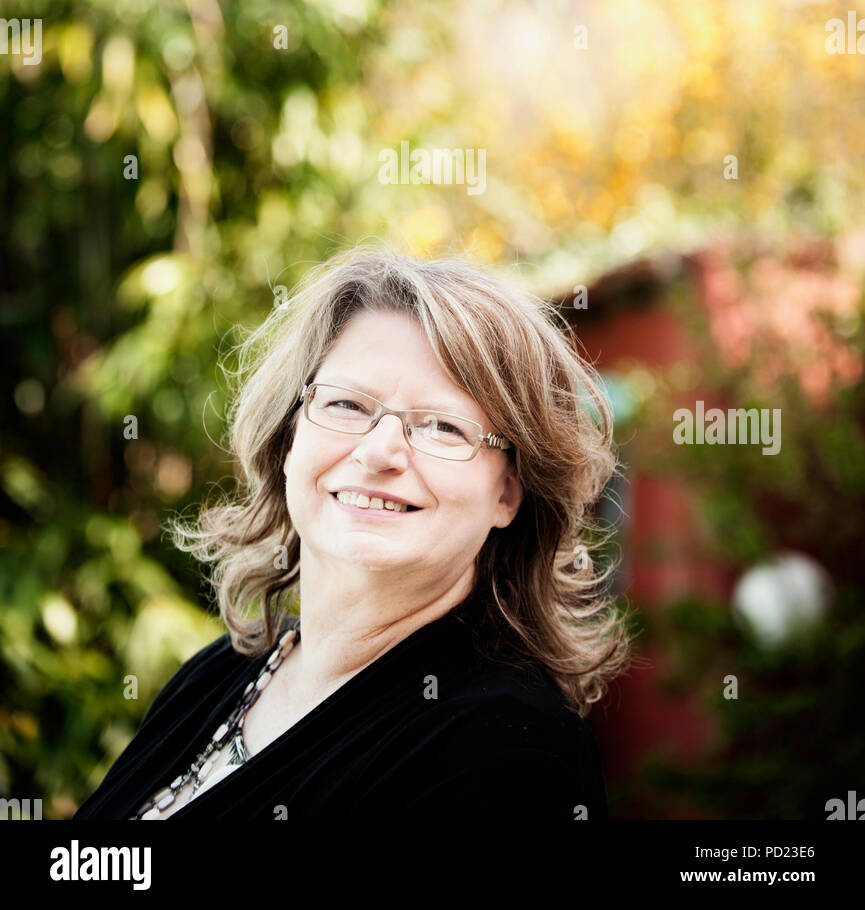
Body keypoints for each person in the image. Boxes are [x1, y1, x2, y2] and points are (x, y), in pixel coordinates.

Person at [72, 243, 630, 822]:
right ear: (289, 441)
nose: (380, 451)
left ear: (508, 494)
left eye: (442, 425)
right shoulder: (221, 673)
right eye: (346, 404)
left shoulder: (513, 756)